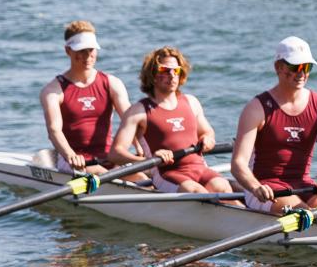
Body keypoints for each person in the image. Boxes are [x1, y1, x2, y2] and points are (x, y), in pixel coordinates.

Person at [229, 37, 317, 215]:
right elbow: (237, 164)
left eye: (307, 67)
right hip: (264, 188)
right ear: (278, 67)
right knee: (302, 212)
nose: (302, 73)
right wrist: (256, 187)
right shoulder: (256, 108)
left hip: (304, 185)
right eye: (295, 67)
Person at [110, 46, 229, 197]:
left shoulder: (191, 102)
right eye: (165, 71)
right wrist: (149, 160)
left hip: (199, 167)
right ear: (153, 75)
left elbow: (207, 131)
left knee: (222, 186)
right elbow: (115, 154)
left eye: (176, 71)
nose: (172, 75)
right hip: (167, 173)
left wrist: (208, 139)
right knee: (196, 192)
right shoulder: (139, 111)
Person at [39, 21, 134, 176]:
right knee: (100, 172)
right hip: (73, 160)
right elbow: (54, 131)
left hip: (107, 158)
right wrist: (71, 155)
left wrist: (141, 147)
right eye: (81, 50)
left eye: (91, 50)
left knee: (141, 177)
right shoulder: (53, 91)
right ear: (68, 50)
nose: (88, 55)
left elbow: (131, 121)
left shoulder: (112, 83)